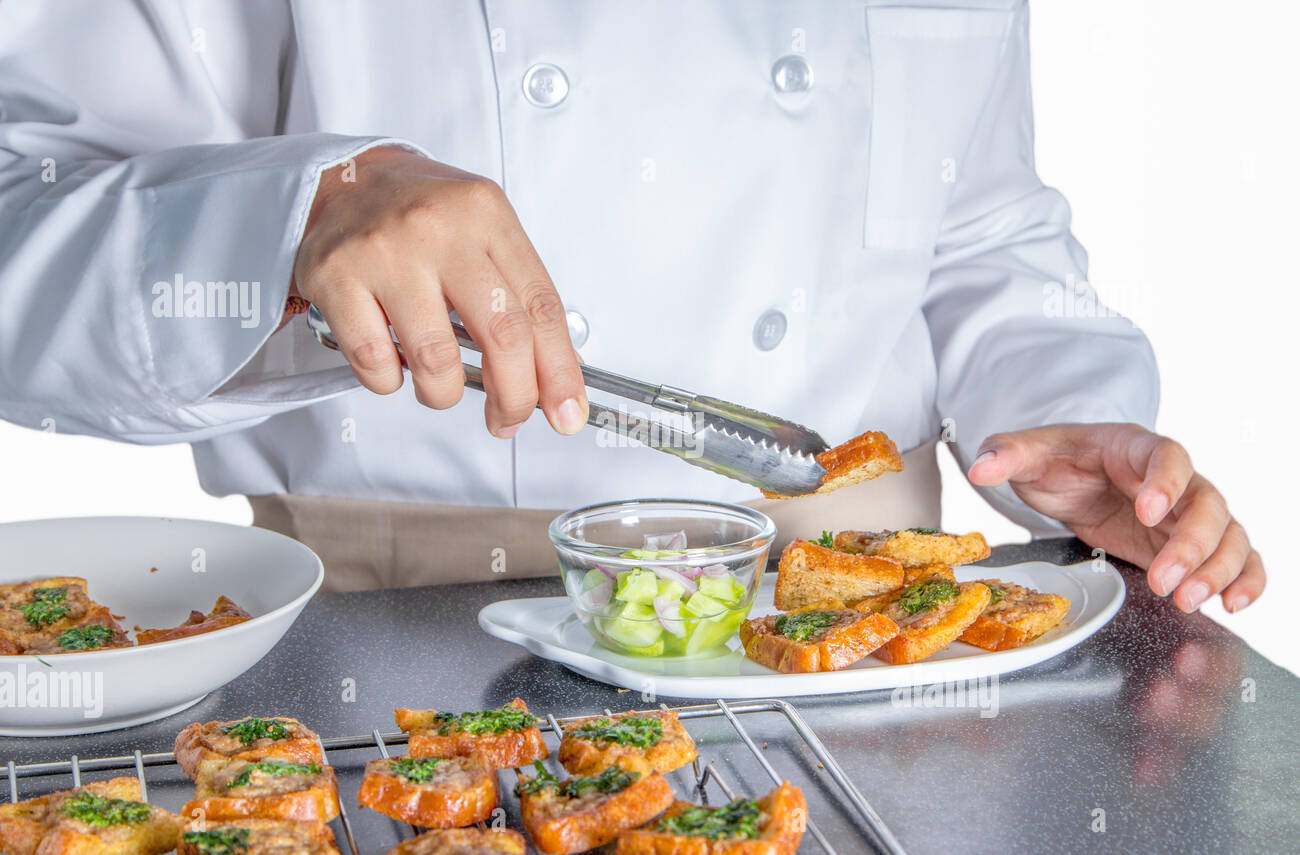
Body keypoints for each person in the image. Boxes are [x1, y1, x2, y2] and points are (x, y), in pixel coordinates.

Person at [0, 0, 1264, 611]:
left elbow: (975, 219)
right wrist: (300, 208)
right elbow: (26, 207)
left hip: (871, 616)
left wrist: (1064, 421)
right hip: (404, 616)